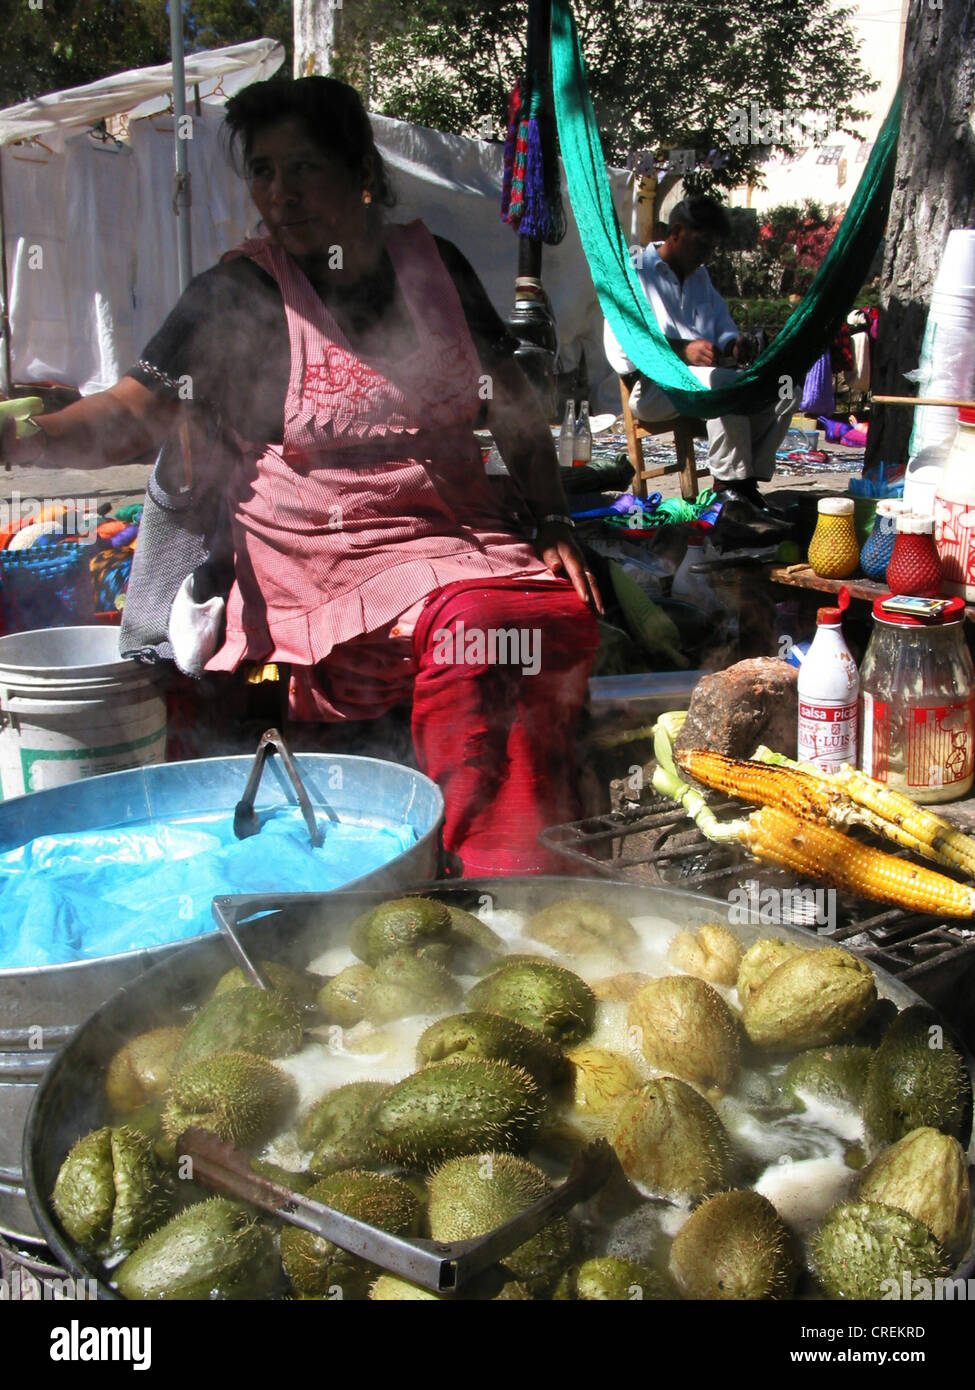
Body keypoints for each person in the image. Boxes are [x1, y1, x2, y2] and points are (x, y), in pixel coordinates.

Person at [0, 76, 602, 877]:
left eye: (304, 168)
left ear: (362, 172)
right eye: (262, 171)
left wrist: (554, 522)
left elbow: (513, 401)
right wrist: (22, 438)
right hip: (329, 564)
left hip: (460, 539)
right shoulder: (237, 294)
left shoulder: (436, 267)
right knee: (482, 627)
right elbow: (130, 413)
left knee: (549, 613)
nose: (279, 194)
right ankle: (501, 872)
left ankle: (518, 839)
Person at [604, 194, 793, 510]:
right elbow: (620, 351)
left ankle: (745, 483)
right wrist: (680, 350)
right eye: (701, 244)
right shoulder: (633, 272)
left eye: (711, 248)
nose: (705, 255)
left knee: (785, 390)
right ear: (676, 233)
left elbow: (722, 326)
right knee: (722, 385)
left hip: (702, 383)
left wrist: (734, 343)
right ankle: (728, 488)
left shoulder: (699, 276)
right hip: (654, 389)